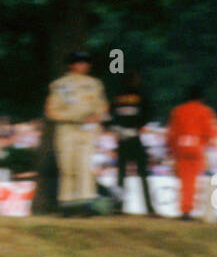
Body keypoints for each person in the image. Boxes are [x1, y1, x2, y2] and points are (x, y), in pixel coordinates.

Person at [45, 50, 108, 211]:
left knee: (85, 166)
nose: (83, 65)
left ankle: (86, 201)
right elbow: (51, 111)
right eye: (79, 62)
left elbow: (102, 107)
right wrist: (72, 117)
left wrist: (96, 116)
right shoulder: (59, 85)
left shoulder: (95, 84)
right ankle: (66, 202)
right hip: (67, 130)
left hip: (87, 131)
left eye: (86, 62)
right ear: (71, 65)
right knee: (67, 166)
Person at [167, 85, 217, 220]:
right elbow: (210, 132)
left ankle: (185, 209)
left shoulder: (178, 110)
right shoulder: (205, 111)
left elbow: (172, 134)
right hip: (196, 147)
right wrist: (207, 145)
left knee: (185, 180)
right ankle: (187, 209)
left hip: (181, 146)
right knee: (192, 181)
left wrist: (172, 151)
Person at [111, 71, 157, 215]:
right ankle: (149, 208)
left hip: (122, 138)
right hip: (135, 137)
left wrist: (119, 129)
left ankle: (118, 206)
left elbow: (111, 115)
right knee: (143, 174)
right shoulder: (140, 94)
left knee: (121, 175)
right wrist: (136, 128)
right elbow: (148, 113)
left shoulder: (116, 96)